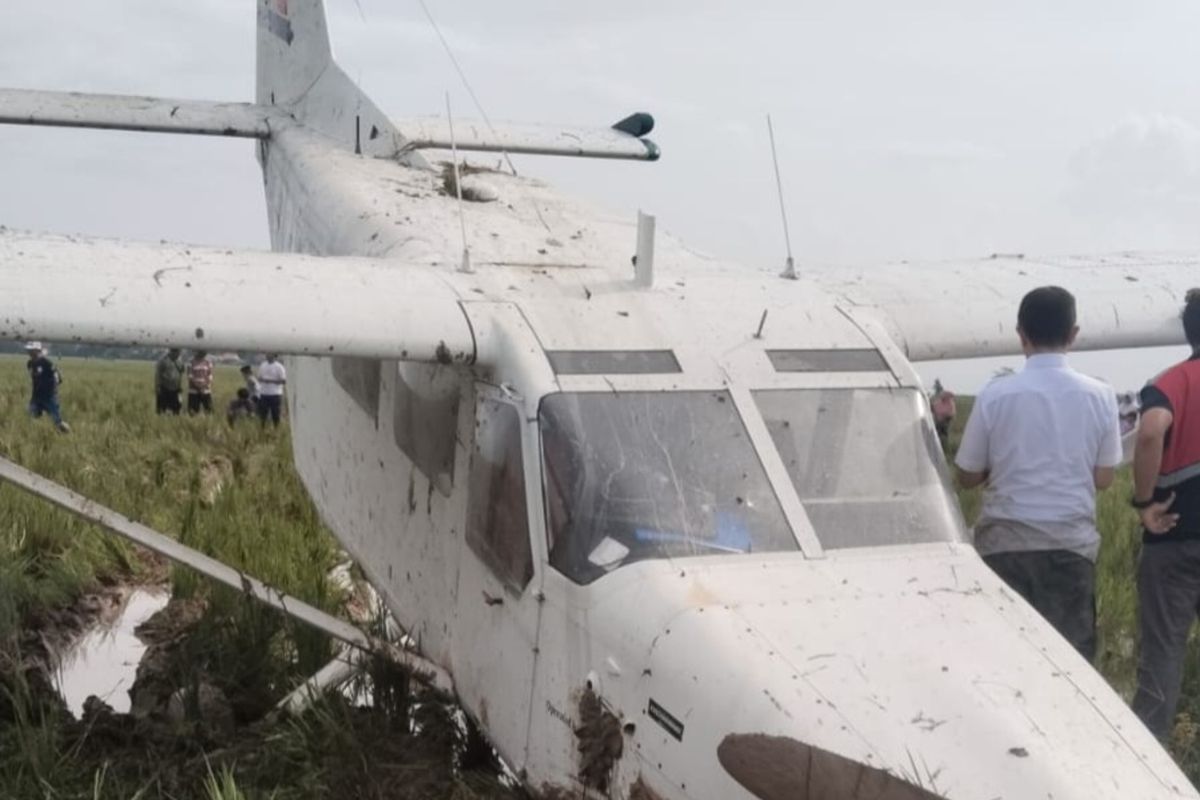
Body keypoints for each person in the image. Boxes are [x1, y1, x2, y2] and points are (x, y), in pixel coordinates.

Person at [954, 286, 1121, 662]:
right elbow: (1104, 478)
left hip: (1004, 547)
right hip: (1070, 548)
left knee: (1004, 661)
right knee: (1070, 669)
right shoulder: (1101, 395)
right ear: (1073, 334)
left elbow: (966, 474)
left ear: (1020, 334)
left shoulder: (995, 394)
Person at [1130, 289, 1200, 740]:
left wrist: (1144, 504)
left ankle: (1147, 766)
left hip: (1176, 539)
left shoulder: (1175, 380)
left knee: (1162, 655)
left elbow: (1152, 429)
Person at [24, 342, 69, 432]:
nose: (29, 352)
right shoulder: (29, 363)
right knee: (29, 416)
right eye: (28, 350)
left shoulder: (46, 362)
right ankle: (36, 434)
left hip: (49, 397)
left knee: (57, 421)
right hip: (36, 397)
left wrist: (52, 387)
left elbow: (57, 377)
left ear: (37, 351)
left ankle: (67, 433)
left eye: (31, 350)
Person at [256, 353, 286, 427]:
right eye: (267, 354)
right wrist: (262, 380)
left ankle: (276, 428)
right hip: (264, 393)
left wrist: (270, 381)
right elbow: (259, 378)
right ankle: (262, 428)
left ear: (274, 356)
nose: (268, 356)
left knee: (275, 413)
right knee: (263, 414)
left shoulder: (279, 367)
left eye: (270, 354)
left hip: (275, 394)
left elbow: (283, 381)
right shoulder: (263, 365)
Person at [155, 348, 184, 414]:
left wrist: (181, 385)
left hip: (176, 388)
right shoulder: (163, 360)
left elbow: (182, 373)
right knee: (162, 409)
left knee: (176, 409)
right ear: (172, 352)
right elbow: (158, 374)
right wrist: (157, 387)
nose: (178, 354)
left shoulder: (180, 360)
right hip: (164, 387)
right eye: (177, 352)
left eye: (179, 352)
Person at [930, 379, 957, 446]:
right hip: (939, 419)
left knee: (942, 430)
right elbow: (934, 408)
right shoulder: (939, 402)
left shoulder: (950, 403)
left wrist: (943, 417)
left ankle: (943, 443)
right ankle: (939, 443)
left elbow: (950, 413)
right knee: (938, 430)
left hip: (945, 419)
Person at [187, 350, 214, 414]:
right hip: (193, 391)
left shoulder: (208, 362)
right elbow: (190, 376)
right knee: (193, 411)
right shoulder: (191, 362)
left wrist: (204, 386)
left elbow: (210, 376)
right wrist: (198, 387)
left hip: (206, 390)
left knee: (209, 410)